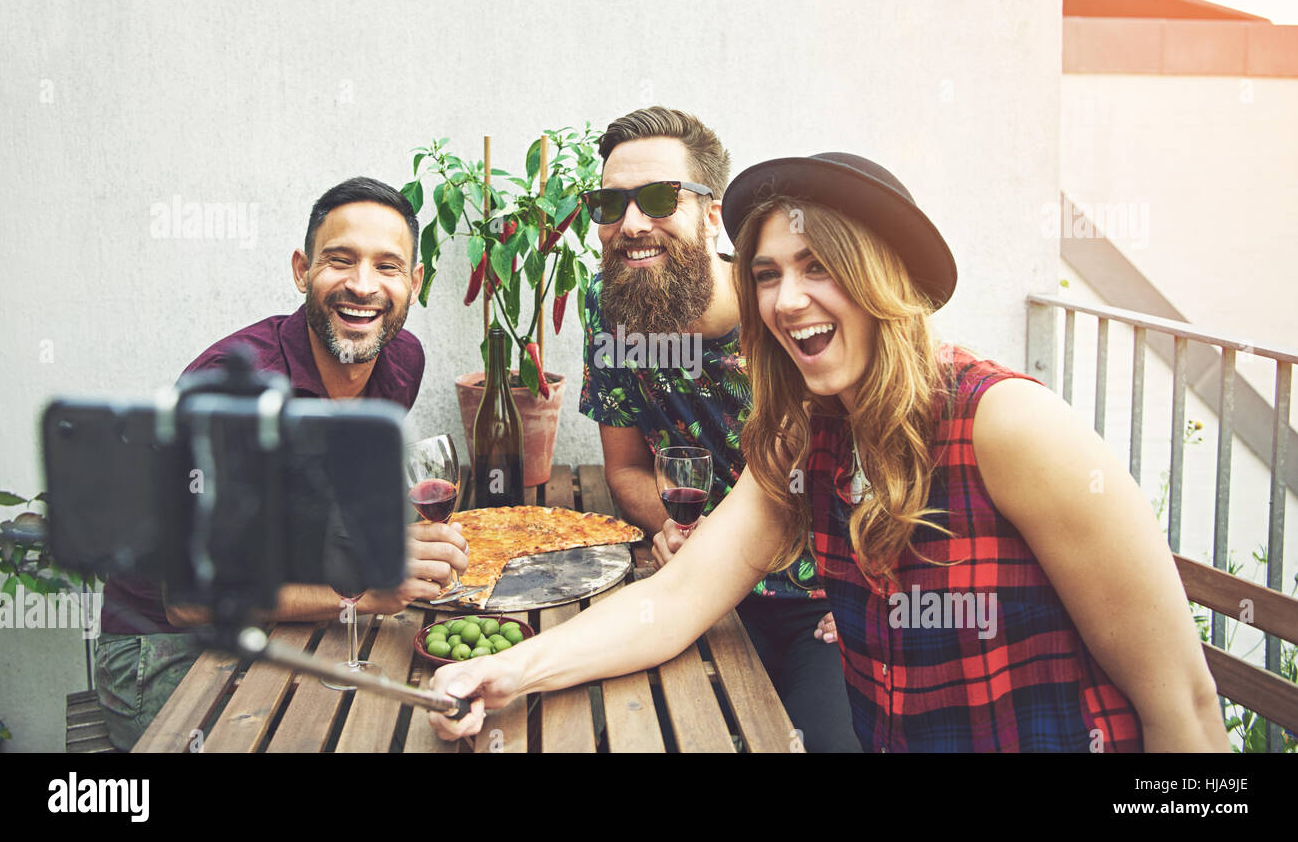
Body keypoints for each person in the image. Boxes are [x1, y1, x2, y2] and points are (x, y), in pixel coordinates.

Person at [427, 153, 1229, 752]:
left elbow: (1184, 711)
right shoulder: (807, 439)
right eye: (769, 273)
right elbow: (672, 603)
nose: (786, 299)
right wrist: (505, 673)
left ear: (888, 281)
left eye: (819, 268)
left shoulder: (1008, 425)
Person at [95, 177, 469, 750]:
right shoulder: (228, 391)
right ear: (302, 270)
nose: (363, 286)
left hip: (289, 608)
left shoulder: (401, 361)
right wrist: (365, 594)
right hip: (165, 648)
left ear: (414, 283)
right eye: (339, 261)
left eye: (388, 266)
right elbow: (190, 600)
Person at [577, 108, 859, 751]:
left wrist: (874, 585)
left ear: (712, 214)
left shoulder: (787, 314)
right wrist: (669, 528)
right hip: (701, 585)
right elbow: (623, 468)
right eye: (609, 204)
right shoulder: (609, 307)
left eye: (657, 199)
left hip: (825, 598)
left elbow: (898, 454)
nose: (632, 224)